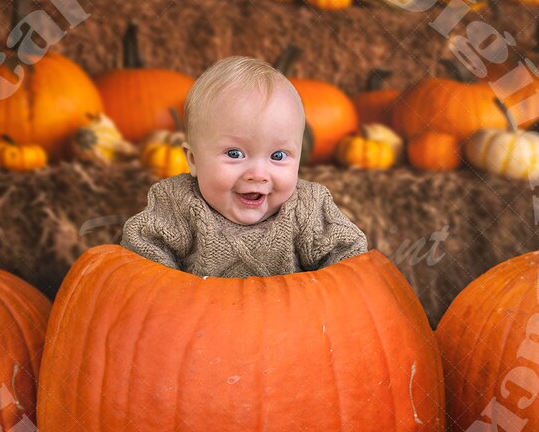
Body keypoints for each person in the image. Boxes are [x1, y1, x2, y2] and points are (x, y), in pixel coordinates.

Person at [121, 56, 367, 278]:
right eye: (235, 154)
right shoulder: (177, 203)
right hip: (198, 313)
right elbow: (141, 260)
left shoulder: (308, 207)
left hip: (290, 314)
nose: (258, 175)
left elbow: (351, 260)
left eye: (278, 155)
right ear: (193, 160)